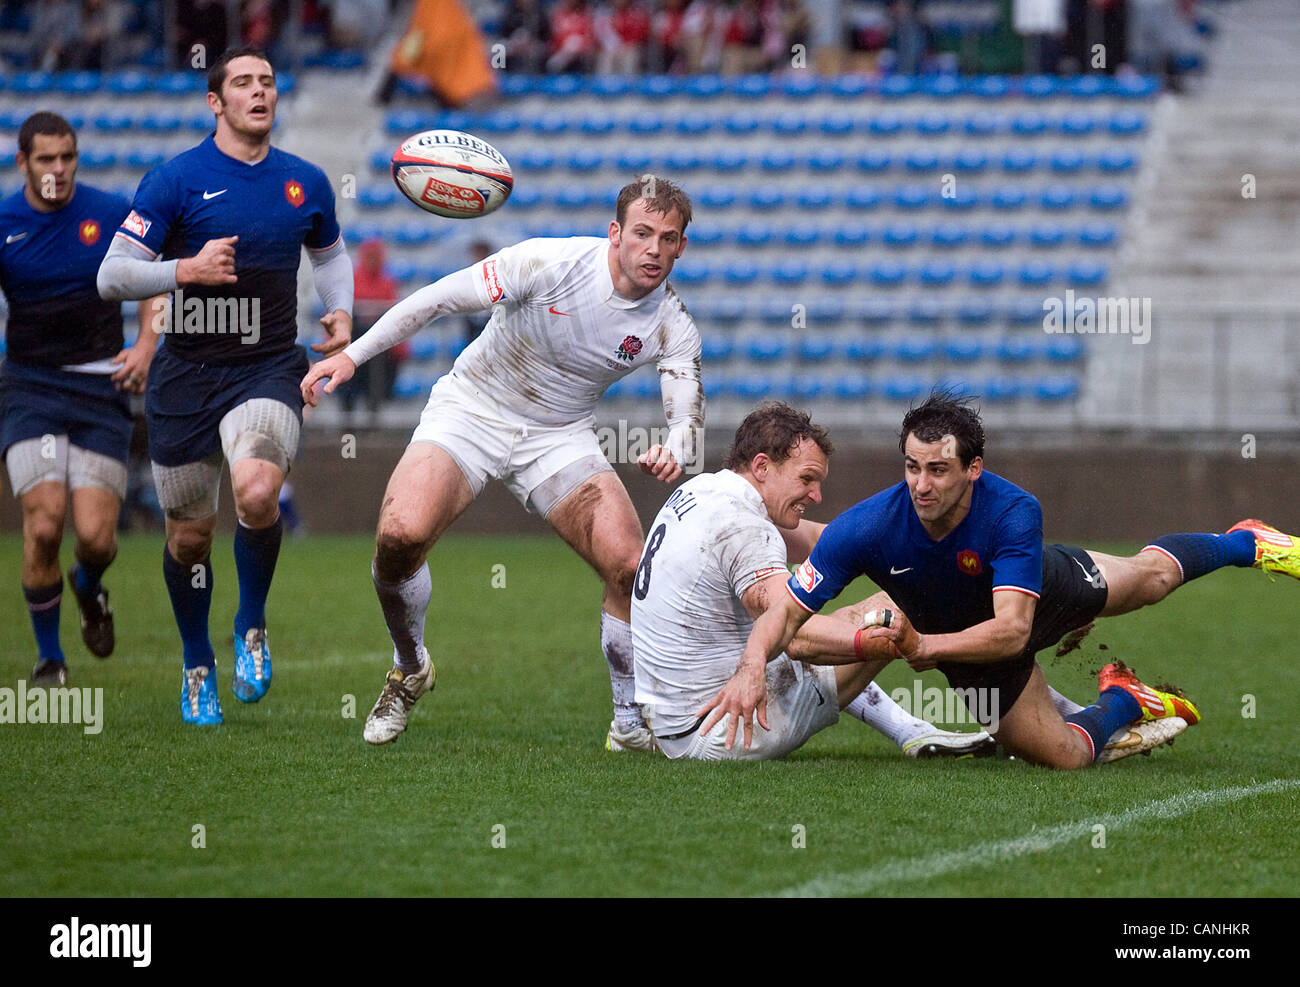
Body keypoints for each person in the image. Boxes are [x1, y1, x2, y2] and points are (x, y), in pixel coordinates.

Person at [302, 175, 703, 749]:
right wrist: (353, 356)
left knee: (628, 567)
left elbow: (687, 417)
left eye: (668, 239)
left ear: (681, 247)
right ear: (614, 233)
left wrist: (676, 448)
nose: (654, 250)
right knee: (398, 536)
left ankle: (628, 721)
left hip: (560, 435)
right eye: (642, 234)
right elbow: (437, 299)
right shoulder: (549, 263)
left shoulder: (673, 322)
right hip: (472, 409)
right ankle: (409, 665)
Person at [708, 390, 1300, 767]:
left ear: (974, 470)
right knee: (1066, 758)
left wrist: (923, 647)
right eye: (912, 467)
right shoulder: (866, 526)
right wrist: (752, 666)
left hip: (1039, 598)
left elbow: (1013, 630)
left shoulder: (1014, 510)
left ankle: (1246, 542)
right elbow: (783, 612)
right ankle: (1126, 699)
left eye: (939, 470)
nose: (922, 484)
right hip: (972, 654)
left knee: (1150, 581)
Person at [97, 46, 353, 725]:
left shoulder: (304, 181)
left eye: (267, 81)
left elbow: (330, 254)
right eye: (242, 83)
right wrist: (185, 270)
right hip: (185, 377)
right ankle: (196, 662)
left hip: (268, 364)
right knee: (190, 539)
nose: (258, 92)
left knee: (259, 490)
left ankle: (250, 624)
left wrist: (342, 309)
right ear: (216, 102)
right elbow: (112, 275)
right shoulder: (174, 181)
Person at [632, 403, 996, 760]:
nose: (816, 496)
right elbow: (798, 638)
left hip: (675, 722)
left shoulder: (706, 491)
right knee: (901, 606)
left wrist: (910, 548)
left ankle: (911, 730)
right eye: (806, 478)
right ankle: (1007, 714)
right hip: (723, 726)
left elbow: (825, 542)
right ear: (762, 466)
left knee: (843, 621)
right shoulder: (743, 527)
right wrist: (893, 643)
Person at [0, 111, 160, 686]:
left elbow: (152, 278)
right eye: (46, 159)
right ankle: (50, 660)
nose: (58, 169)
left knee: (96, 539)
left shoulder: (111, 213)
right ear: (23, 163)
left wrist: (145, 343)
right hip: (31, 388)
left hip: (101, 386)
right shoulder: (4, 220)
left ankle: (88, 587)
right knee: (44, 524)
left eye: (67, 157)